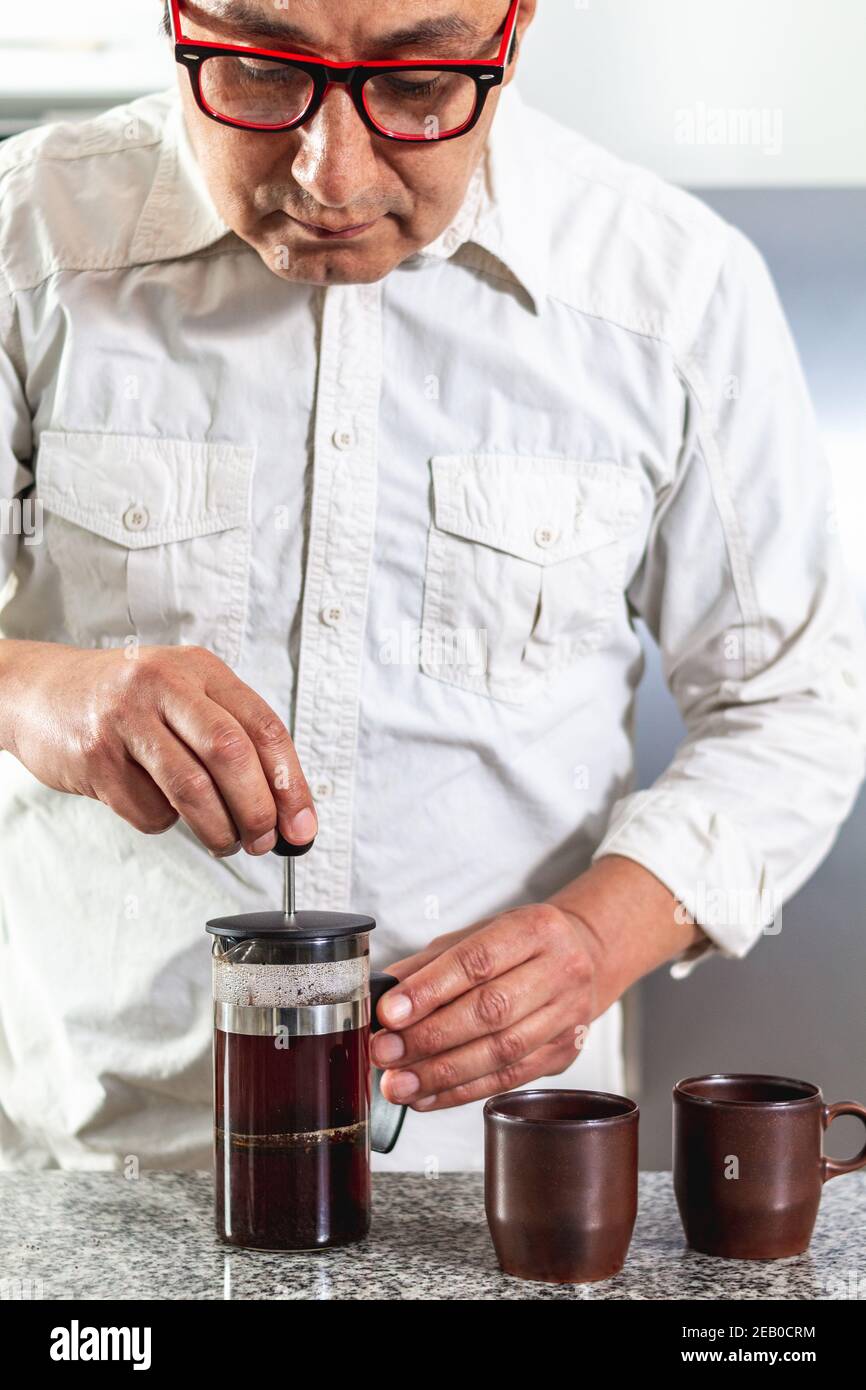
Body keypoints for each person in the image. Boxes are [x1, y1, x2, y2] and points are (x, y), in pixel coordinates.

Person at [0, 0, 863, 1172]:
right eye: (258, 70)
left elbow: (796, 701)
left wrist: (596, 937)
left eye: (414, 86)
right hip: (89, 1168)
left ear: (511, 30)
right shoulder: (30, 239)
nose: (329, 173)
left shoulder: (673, 293)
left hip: (506, 1182)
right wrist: (40, 690)